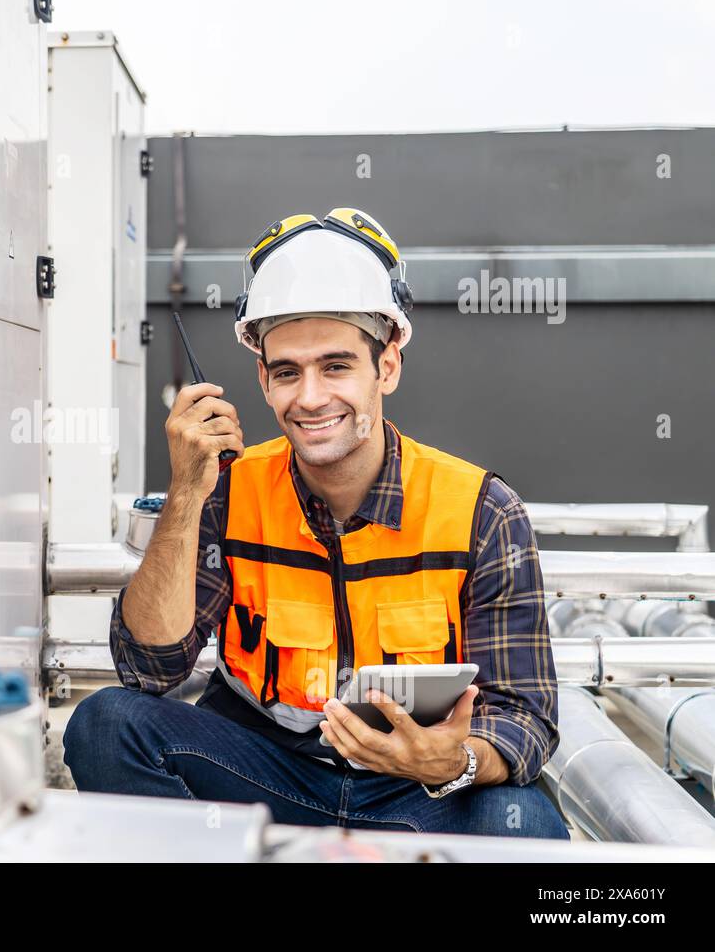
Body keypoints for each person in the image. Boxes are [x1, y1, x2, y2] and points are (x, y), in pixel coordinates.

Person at [63, 209, 567, 838]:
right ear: (262, 380)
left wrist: (455, 761)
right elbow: (149, 670)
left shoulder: (480, 511)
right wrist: (187, 491)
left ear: (386, 367)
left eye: (336, 366)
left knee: (527, 827)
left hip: (413, 789)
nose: (309, 398)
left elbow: (526, 717)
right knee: (108, 724)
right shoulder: (230, 490)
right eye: (286, 373)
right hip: (264, 776)